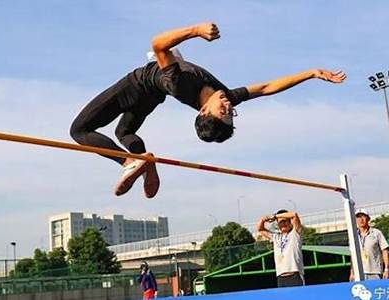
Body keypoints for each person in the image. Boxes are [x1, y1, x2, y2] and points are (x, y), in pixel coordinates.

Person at [70, 22, 347, 198]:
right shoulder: (224, 94)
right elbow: (266, 88)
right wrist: (311, 73)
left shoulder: (178, 82)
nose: (227, 105)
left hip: (133, 88)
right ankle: (143, 160)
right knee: (124, 131)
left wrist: (195, 31)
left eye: (222, 111)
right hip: (150, 97)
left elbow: (157, 45)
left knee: (79, 130)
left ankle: (129, 163)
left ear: (203, 111)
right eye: (230, 111)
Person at [257, 209, 305, 287]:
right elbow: (260, 229)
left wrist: (275, 216)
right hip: (281, 277)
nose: (283, 224)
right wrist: (263, 219)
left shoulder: (295, 233)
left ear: (290, 222)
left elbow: (294, 215)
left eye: (285, 221)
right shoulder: (276, 237)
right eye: (280, 222)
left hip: (295, 275)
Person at [349, 209, 389, 281]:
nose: (361, 219)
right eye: (358, 217)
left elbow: (385, 251)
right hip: (358, 273)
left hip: (374, 272)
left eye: (363, 216)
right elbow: (353, 255)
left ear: (368, 218)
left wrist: (386, 269)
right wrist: (352, 272)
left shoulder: (376, 233)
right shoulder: (353, 236)